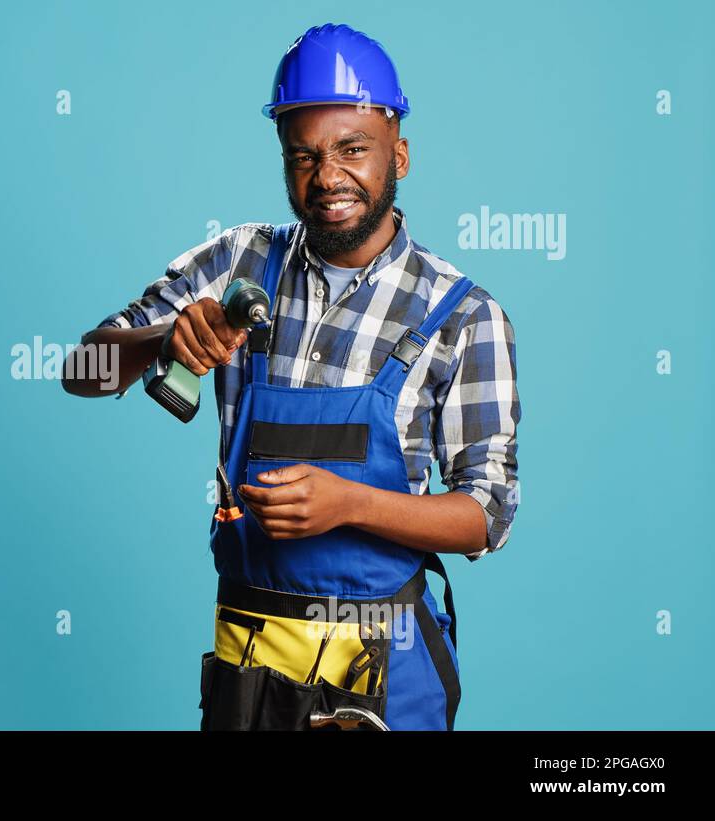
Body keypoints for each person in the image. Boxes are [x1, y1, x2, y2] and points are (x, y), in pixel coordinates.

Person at [62, 23, 520, 731]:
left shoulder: (462, 314)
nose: (327, 176)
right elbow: (81, 370)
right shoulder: (239, 260)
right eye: (303, 155)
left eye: (352, 150)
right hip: (249, 663)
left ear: (399, 151)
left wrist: (350, 504)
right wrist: (163, 338)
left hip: (382, 668)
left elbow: (486, 516)